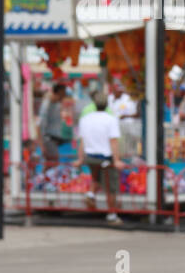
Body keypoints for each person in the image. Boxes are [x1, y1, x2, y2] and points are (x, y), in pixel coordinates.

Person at [76, 89, 123, 223]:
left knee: (96, 178)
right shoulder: (110, 119)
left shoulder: (85, 119)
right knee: (111, 187)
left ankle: (90, 194)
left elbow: (82, 142)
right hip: (106, 158)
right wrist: (117, 159)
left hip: (90, 157)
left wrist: (80, 159)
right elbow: (113, 141)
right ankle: (112, 214)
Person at [37, 82, 71, 168]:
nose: (64, 95)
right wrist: (41, 144)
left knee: (51, 164)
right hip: (48, 139)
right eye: (63, 93)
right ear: (58, 92)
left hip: (54, 140)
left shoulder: (57, 104)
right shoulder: (47, 104)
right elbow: (38, 124)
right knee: (52, 164)